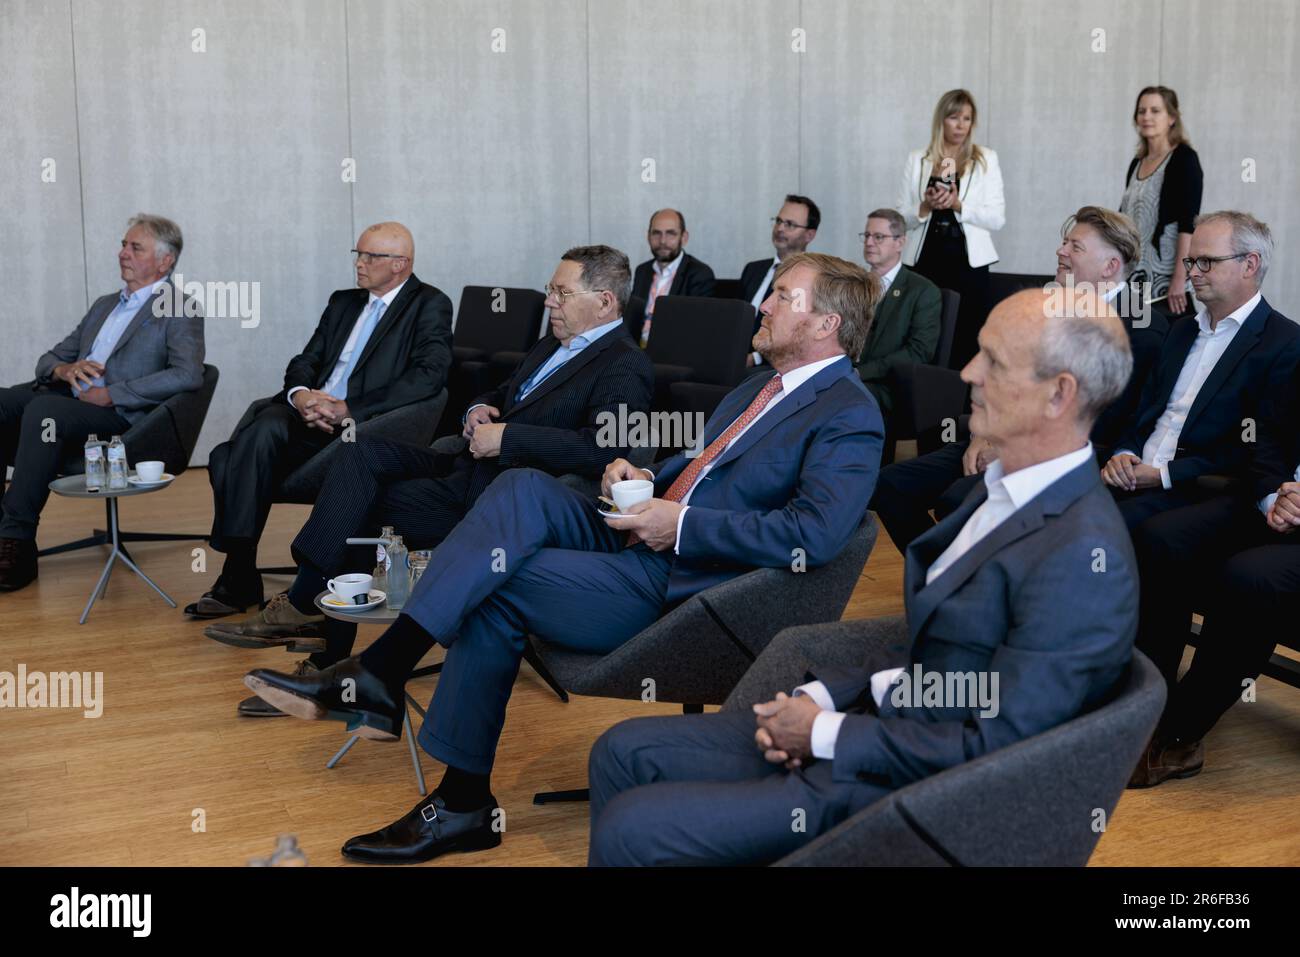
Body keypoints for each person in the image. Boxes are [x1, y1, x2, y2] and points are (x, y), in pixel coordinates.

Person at [243, 252, 884, 863]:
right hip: (642, 529)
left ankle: (446, 776)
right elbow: (701, 466)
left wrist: (682, 523)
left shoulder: (849, 413)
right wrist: (645, 473)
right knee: (519, 486)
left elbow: (815, 535)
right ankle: (389, 681)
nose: (764, 303)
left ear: (825, 323)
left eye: (781, 295)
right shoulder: (758, 385)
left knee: (496, 584)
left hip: (692, 587)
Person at [587, 287, 1138, 865]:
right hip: (873, 732)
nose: (968, 372)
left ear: (1058, 395)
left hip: (906, 799)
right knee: (621, 750)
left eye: (993, 361)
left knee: (634, 829)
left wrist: (826, 735)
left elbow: (999, 747)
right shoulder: (1003, 491)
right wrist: (823, 696)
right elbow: (930, 650)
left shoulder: (1081, 556)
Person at [206, 245, 655, 719]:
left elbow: (605, 449)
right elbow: (504, 394)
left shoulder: (624, 364)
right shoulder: (554, 343)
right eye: (550, 290)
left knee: (363, 511)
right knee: (360, 455)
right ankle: (311, 614)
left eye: (562, 293)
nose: (549, 302)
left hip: (499, 501)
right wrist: (478, 409)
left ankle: (321, 648)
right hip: (466, 466)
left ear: (605, 301)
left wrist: (510, 438)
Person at [187, 222, 453, 619]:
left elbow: (429, 376)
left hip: (360, 427)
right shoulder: (344, 302)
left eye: (370, 256)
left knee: (230, 455)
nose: (359, 264)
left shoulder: (429, 303)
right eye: (357, 254)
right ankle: (239, 572)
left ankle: (237, 574)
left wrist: (349, 409)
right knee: (260, 431)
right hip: (306, 415)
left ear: (400, 264)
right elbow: (306, 360)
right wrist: (302, 395)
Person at [872, 205, 1165, 553]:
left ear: (1110, 267)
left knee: (958, 500)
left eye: (1075, 246)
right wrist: (983, 434)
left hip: (1070, 458)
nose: (1061, 251)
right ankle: (947, 579)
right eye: (1064, 243)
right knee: (889, 485)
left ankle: (967, 586)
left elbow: (1104, 419)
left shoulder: (1143, 326)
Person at [0, 214, 204, 591]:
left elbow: (188, 373)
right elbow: (49, 358)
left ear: (165, 260)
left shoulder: (179, 307)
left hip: (120, 420)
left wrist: (112, 393)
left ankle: (15, 541)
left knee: (44, 411)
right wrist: (65, 370)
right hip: (64, 403)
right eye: (123, 245)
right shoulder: (104, 305)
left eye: (134, 247)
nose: (122, 253)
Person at [1127, 407, 1300, 787]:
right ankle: (1143, 704)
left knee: (1252, 577)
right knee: (1163, 539)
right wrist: (1275, 496)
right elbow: (1268, 438)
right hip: (1277, 504)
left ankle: (1179, 734)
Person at [1101, 211, 1300, 528]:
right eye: (1189, 262)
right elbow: (1144, 410)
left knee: (1107, 526)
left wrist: (1163, 476)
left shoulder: (1283, 342)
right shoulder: (1180, 331)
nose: (1192, 273)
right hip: (1132, 475)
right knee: (1051, 505)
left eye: (1206, 262)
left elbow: (1254, 443)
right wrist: (1124, 452)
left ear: (1249, 265)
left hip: (1198, 487)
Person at [898, 89, 1004, 370]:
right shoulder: (918, 158)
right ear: (941, 120)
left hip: (967, 261)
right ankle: (923, 401)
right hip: (926, 257)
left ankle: (959, 405)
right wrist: (924, 206)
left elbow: (997, 218)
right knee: (924, 331)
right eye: (954, 117)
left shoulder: (985, 159)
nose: (961, 125)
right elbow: (900, 218)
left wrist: (958, 204)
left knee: (966, 336)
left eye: (967, 119)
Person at [1119, 86, 1202, 319]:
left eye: (1155, 110)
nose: (1146, 116)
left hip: (1166, 279)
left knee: (1168, 342)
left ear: (1172, 118)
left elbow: (1189, 224)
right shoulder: (1138, 162)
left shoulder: (1184, 158)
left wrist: (1179, 278)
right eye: (1141, 111)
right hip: (1135, 274)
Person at [853, 207, 942, 421]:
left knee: (840, 399)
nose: (869, 243)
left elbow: (919, 352)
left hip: (887, 385)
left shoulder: (922, 291)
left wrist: (861, 373)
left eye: (878, 237)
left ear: (900, 242)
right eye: (867, 235)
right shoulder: (852, 284)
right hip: (846, 375)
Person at [739, 195, 820, 366]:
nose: (780, 228)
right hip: (735, 359)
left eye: (790, 224)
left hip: (773, 367)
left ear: (809, 235)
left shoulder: (813, 279)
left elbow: (802, 335)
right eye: (778, 221)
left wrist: (755, 358)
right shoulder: (753, 270)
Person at [629, 209, 716, 345]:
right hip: (636, 349)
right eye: (656, 233)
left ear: (684, 237)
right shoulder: (642, 271)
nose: (663, 241)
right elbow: (633, 317)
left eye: (671, 234)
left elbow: (697, 328)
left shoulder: (700, 274)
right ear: (648, 236)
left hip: (674, 350)